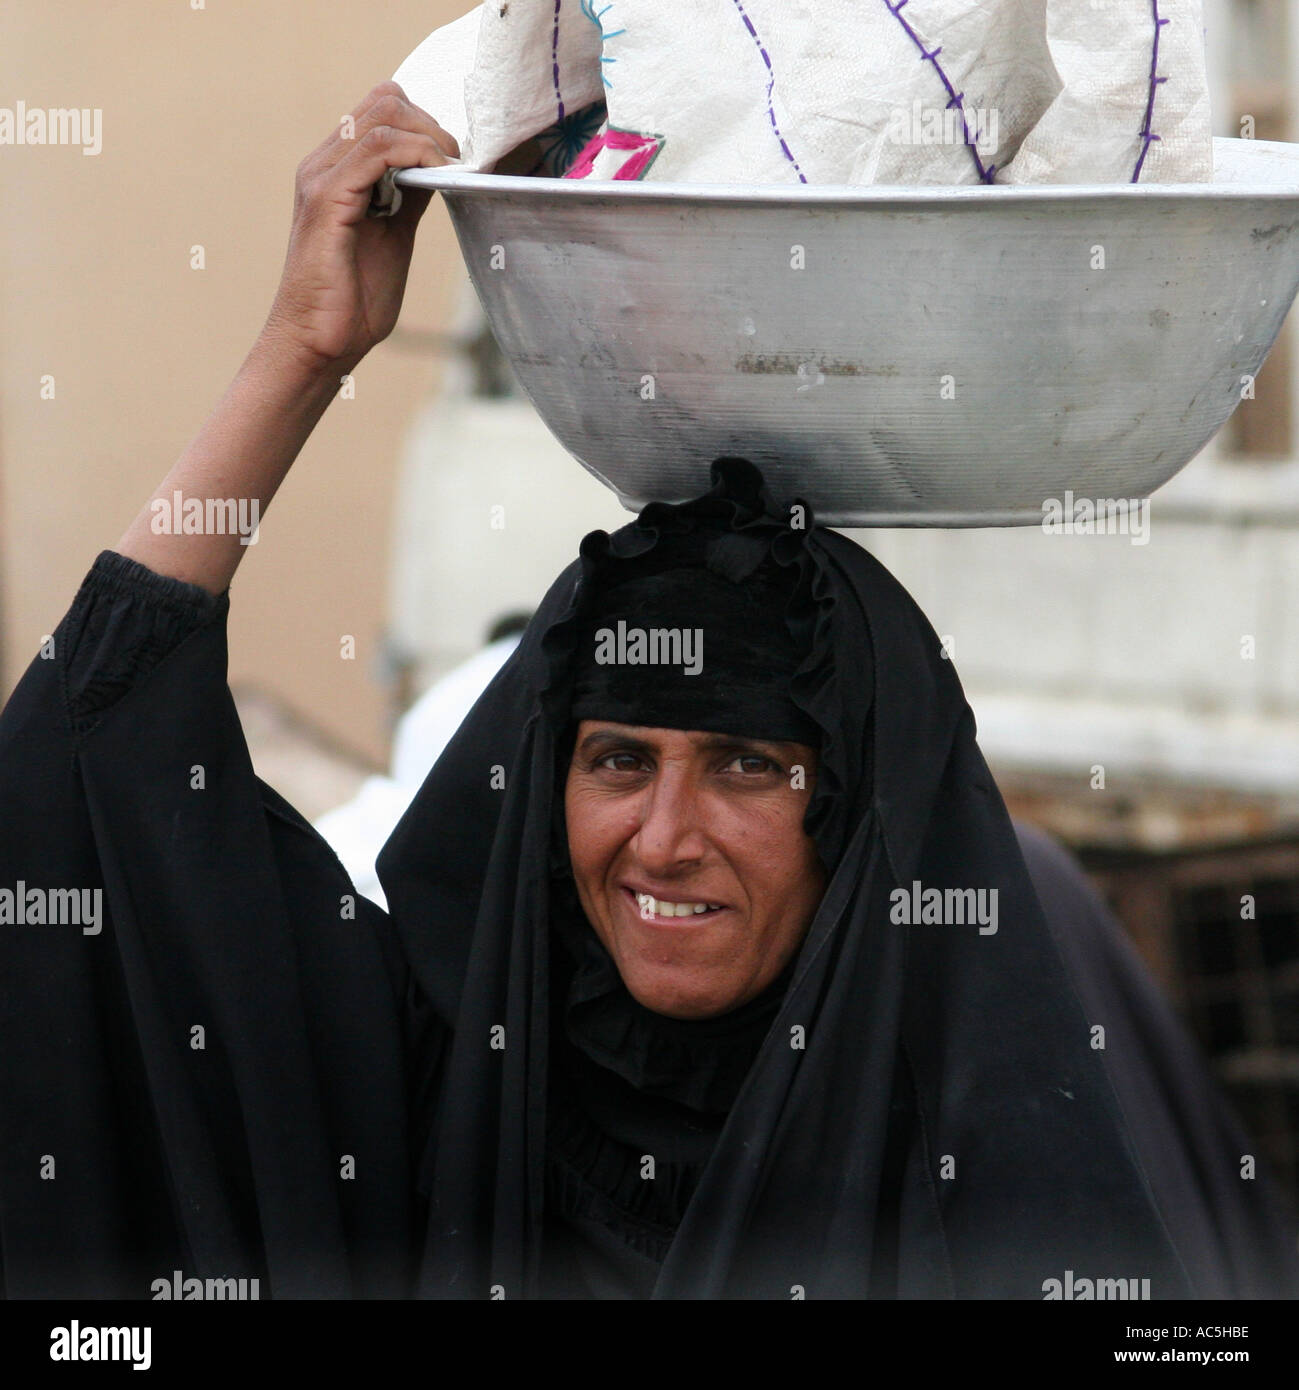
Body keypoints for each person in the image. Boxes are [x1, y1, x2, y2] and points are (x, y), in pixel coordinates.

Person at [0, 85, 1296, 1301]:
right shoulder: (439, 1087)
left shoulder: (992, 1191)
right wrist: (305, 345)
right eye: (620, 757)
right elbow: (94, 751)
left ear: (851, 815)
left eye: (746, 765)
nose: (664, 836)